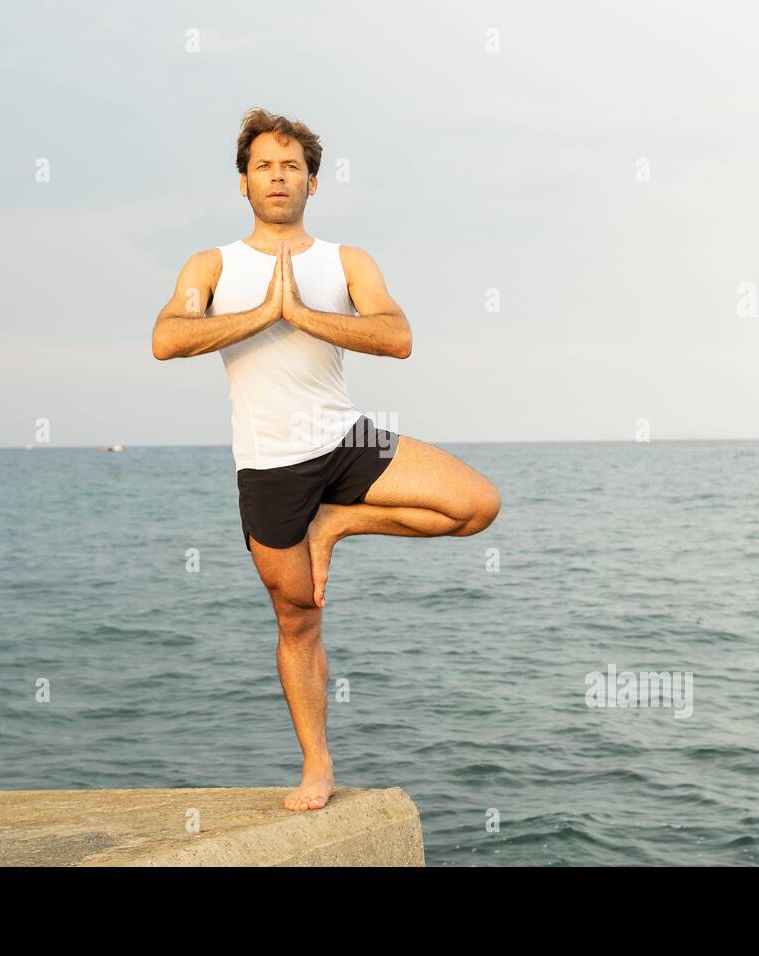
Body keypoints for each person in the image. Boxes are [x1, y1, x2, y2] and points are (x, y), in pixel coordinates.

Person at [151, 108, 501, 811]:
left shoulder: (347, 262)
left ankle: (335, 524)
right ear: (243, 182)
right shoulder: (211, 266)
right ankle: (317, 766)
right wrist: (263, 312)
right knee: (299, 616)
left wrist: (302, 312)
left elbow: (396, 336)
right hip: (269, 465)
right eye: (263, 166)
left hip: (346, 438)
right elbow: (168, 337)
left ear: (313, 180)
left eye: (291, 166)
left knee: (476, 504)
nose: (277, 177)